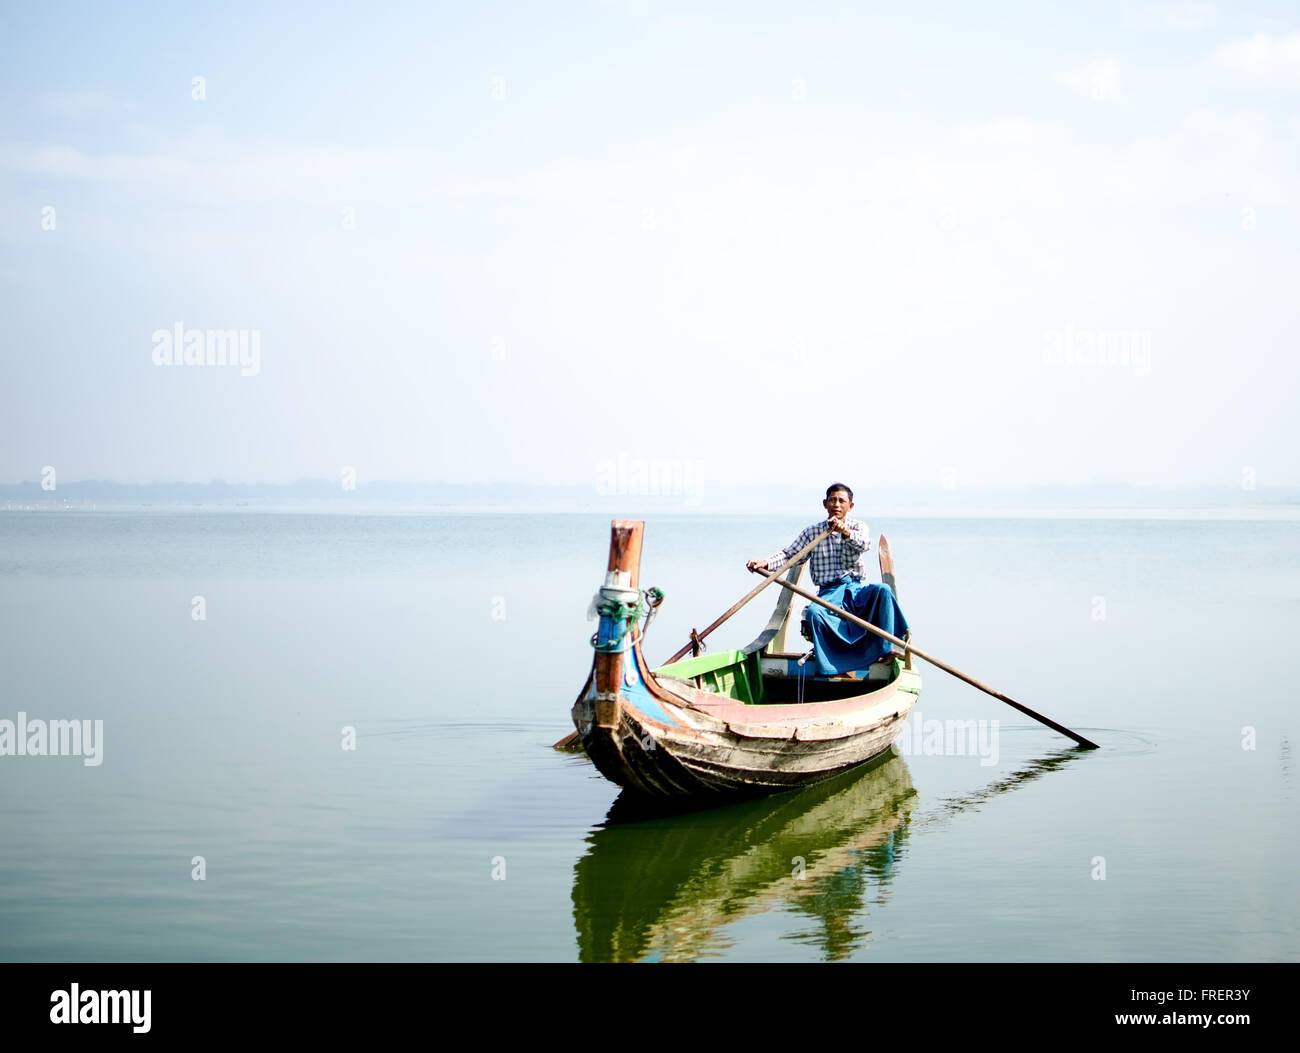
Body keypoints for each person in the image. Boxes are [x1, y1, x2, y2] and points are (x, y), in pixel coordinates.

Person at [746, 483, 909, 677]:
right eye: (832, 500)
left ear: (851, 506)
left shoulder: (858, 526)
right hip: (828, 594)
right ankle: (833, 665)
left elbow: (864, 544)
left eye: (842, 501)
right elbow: (790, 555)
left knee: (883, 590)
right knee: (814, 612)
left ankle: (887, 648)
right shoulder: (813, 532)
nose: (837, 505)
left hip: (855, 591)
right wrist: (764, 563)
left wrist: (844, 532)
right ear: (825, 504)